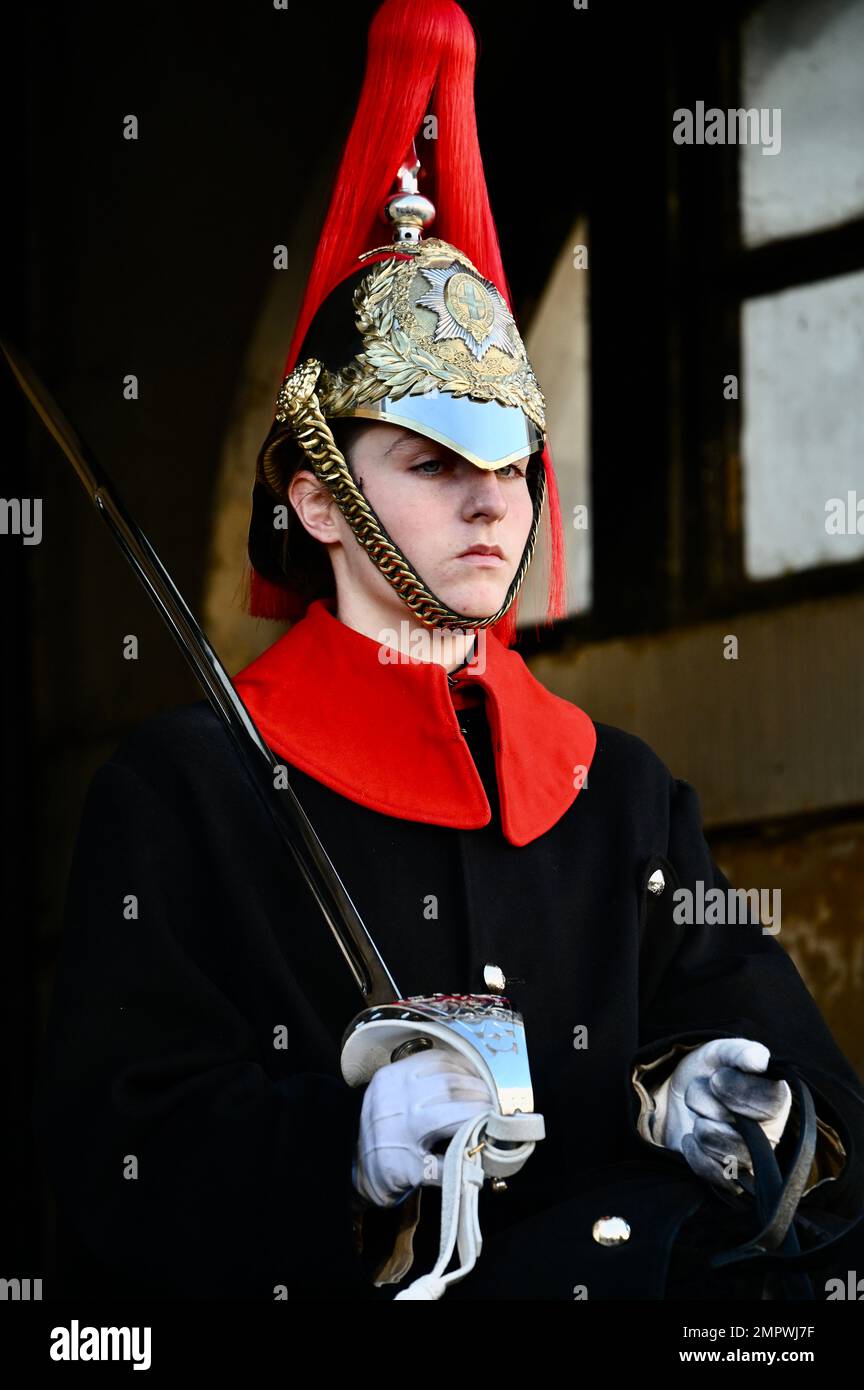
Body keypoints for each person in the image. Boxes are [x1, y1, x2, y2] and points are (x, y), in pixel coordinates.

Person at [32, 0, 863, 1302]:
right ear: (315, 495)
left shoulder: (623, 796)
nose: (493, 504)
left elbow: (811, 1092)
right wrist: (337, 1149)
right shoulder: (181, 791)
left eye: (509, 465)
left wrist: (722, 1095)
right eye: (432, 461)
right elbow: (112, 1154)